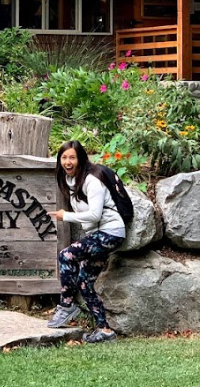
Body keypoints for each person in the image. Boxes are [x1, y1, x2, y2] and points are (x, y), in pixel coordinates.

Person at [46, 140, 125, 343]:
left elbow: (95, 214)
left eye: (72, 157)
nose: (67, 161)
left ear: (80, 159)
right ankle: (105, 330)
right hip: (99, 235)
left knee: (66, 255)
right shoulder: (70, 180)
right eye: (64, 157)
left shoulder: (92, 180)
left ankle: (66, 306)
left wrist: (67, 216)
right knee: (84, 283)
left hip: (111, 233)